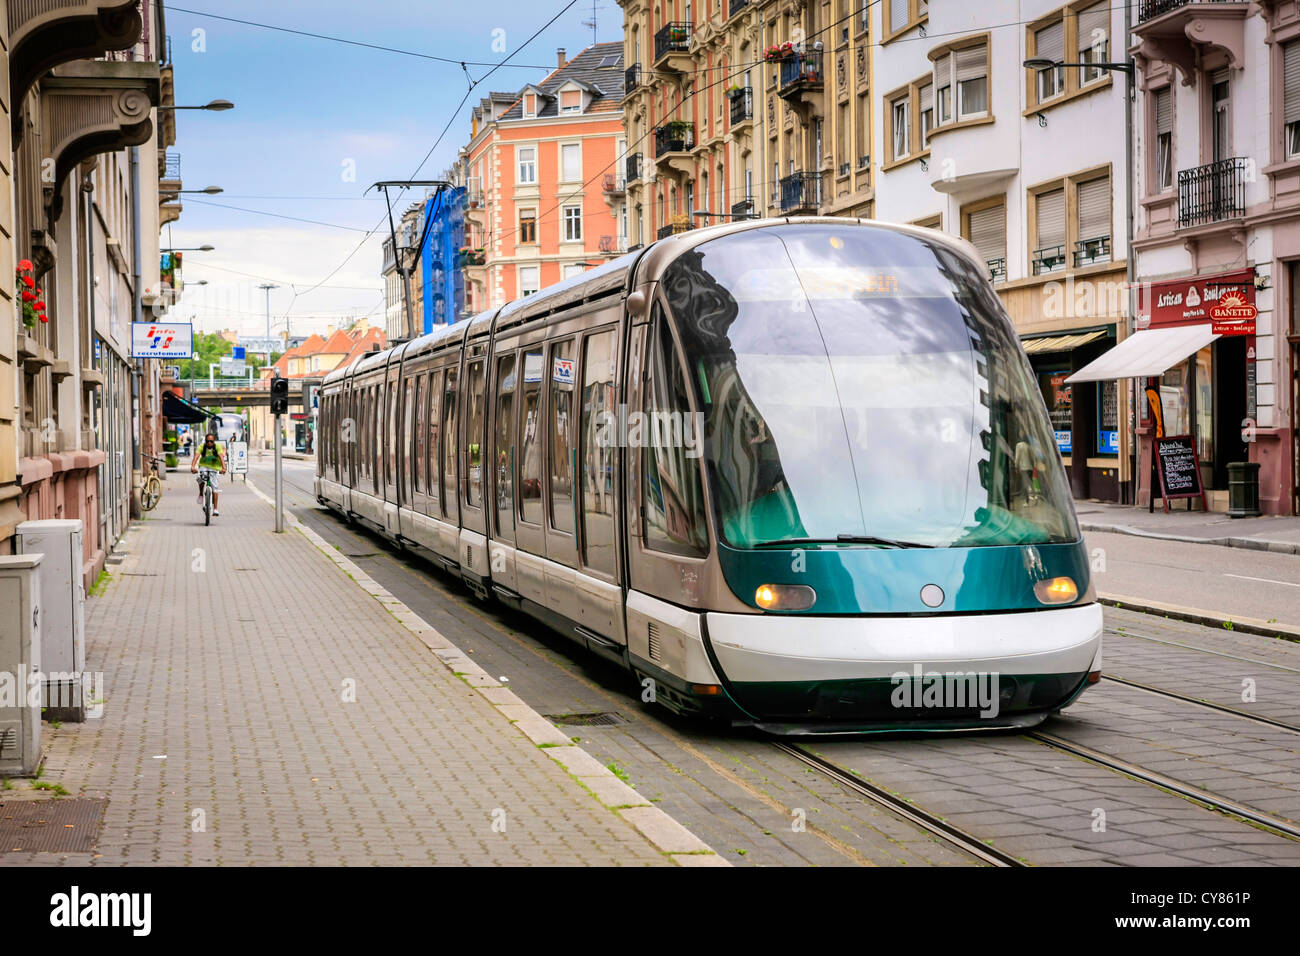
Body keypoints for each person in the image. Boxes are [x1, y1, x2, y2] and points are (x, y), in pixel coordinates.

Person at [191, 432, 227, 516]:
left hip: (215, 468)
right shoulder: (202, 447)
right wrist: (193, 466)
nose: (209, 443)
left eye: (211, 441)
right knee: (200, 478)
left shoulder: (217, 447)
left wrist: (224, 468)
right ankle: (201, 494)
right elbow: (196, 456)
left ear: (213, 441)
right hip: (204, 466)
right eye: (207, 441)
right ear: (205, 441)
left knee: (215, 488)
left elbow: (221, 457)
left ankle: (215, 509)